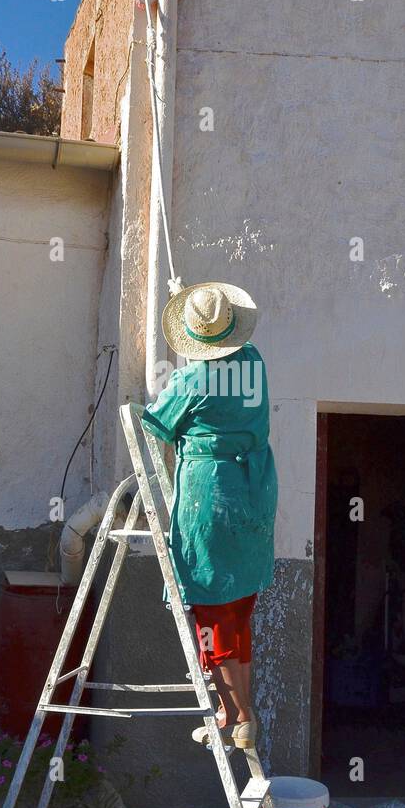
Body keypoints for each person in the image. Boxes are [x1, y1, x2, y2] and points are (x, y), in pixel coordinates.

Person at [141, 282, 277, 750]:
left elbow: (155, 421)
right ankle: (229, 711)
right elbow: (229, 365)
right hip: (254, 493)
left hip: (211, 499)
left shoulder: (191, 381)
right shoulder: (253, 363)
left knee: (210, 612)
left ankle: (241, 716)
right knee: (237, 609)